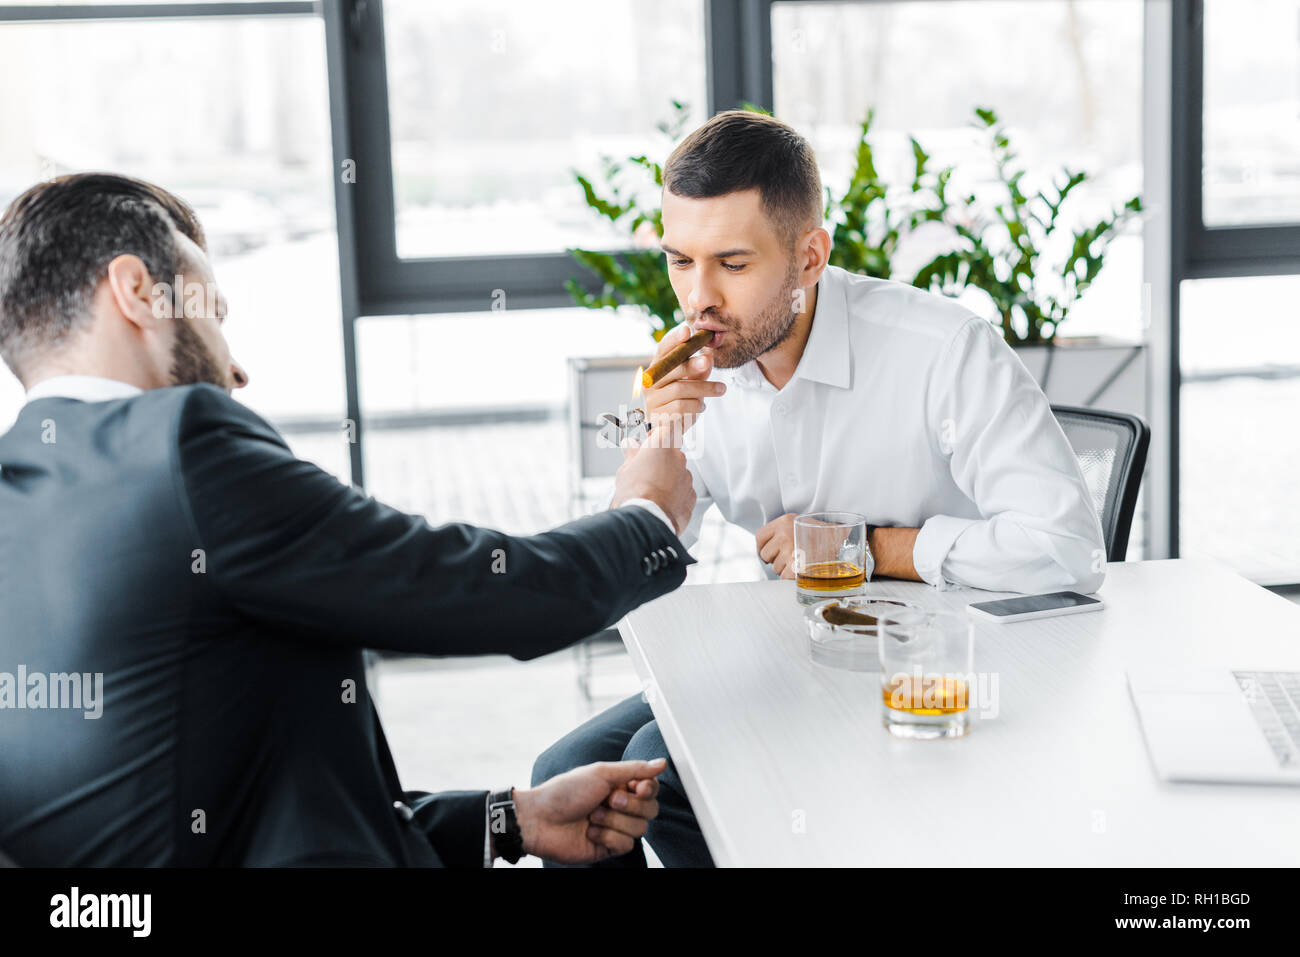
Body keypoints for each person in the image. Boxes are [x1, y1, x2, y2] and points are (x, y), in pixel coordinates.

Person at [0, 172, 698, 867]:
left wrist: (507, 819)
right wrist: (649, 511)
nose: (234, 368)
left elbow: (232, 801)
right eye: (212, 312)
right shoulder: (177, 441)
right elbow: (480, 590)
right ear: (136, 292)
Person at [533, 110, 1107, 868]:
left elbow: (1068, 547)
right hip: (795, 656)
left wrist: (869, 546)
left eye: (732, 264)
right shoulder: (698, 367)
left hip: (930, 664)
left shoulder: (942, 350)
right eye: (680, 261)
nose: (696, 299)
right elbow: (642, 549)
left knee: (657, 778)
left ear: (809, 256)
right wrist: (657, 439)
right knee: (566, 778)